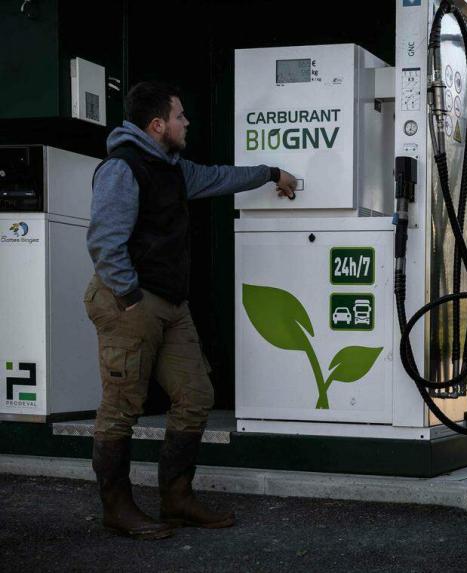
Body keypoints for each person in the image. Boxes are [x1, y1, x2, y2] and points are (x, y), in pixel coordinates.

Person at [84, 81, 297, 540]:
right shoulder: (123, 168)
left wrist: (271, 172)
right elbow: (104, 241)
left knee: (196, 395)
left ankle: (176, 500)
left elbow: (220, 176)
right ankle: (117, 510)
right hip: (131, 301)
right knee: (122, 406)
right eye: (180, 117)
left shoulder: (175, 170)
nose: (187, 123)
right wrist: (131, 297)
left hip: (170, 305)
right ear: (158, 125)